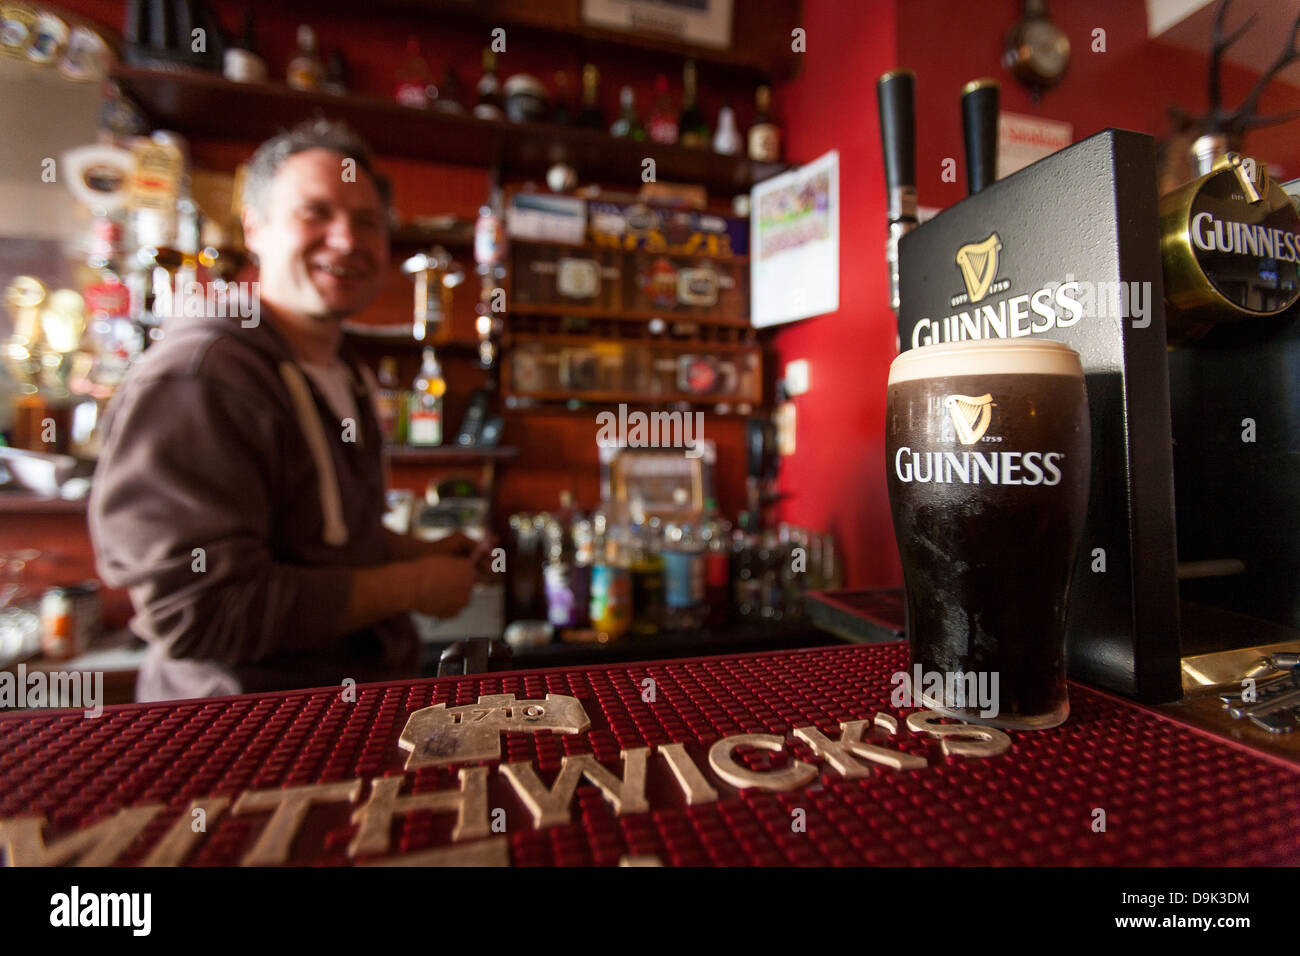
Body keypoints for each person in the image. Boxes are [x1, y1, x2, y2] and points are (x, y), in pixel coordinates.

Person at [90, 119, 479, 701]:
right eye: (315, 213)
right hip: (241, 741)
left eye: (367, 221)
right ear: (256, 228)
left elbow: (319, 539)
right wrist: (415, 583)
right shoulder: (203, 375)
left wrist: (413, 551)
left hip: (346, 717)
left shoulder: (340, 367)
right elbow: (199, 611)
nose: (346, 240)